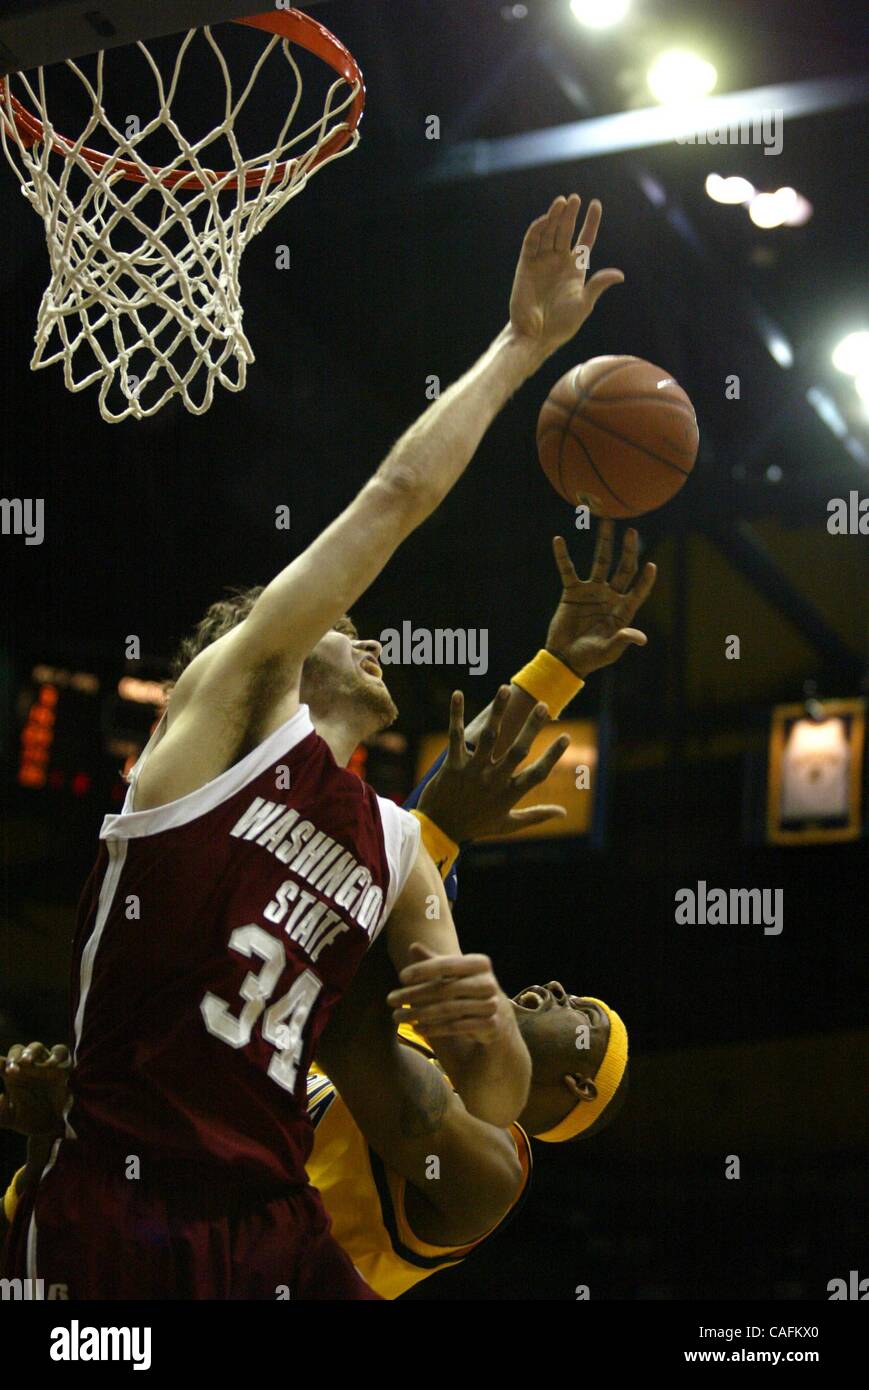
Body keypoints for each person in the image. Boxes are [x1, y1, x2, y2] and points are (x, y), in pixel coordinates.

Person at [1, 193, 625, 1299]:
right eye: (336, 623)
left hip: (276, 1228)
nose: (367, 631)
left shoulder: (394, 844)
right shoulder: (228, 714)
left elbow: (484, 1109)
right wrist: (521, 346)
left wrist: (481, 1027)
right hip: (126, 1206)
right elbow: (394, 496)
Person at [2, 523, 651, 1298]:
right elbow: (371, 877)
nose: (550, 990)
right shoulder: (400, 995)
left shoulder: (490, 1171)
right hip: (88, 1230)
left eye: (578, 1010)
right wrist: (554, 671)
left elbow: (354, 1003)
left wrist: (433, 834)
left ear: (578, 1088)